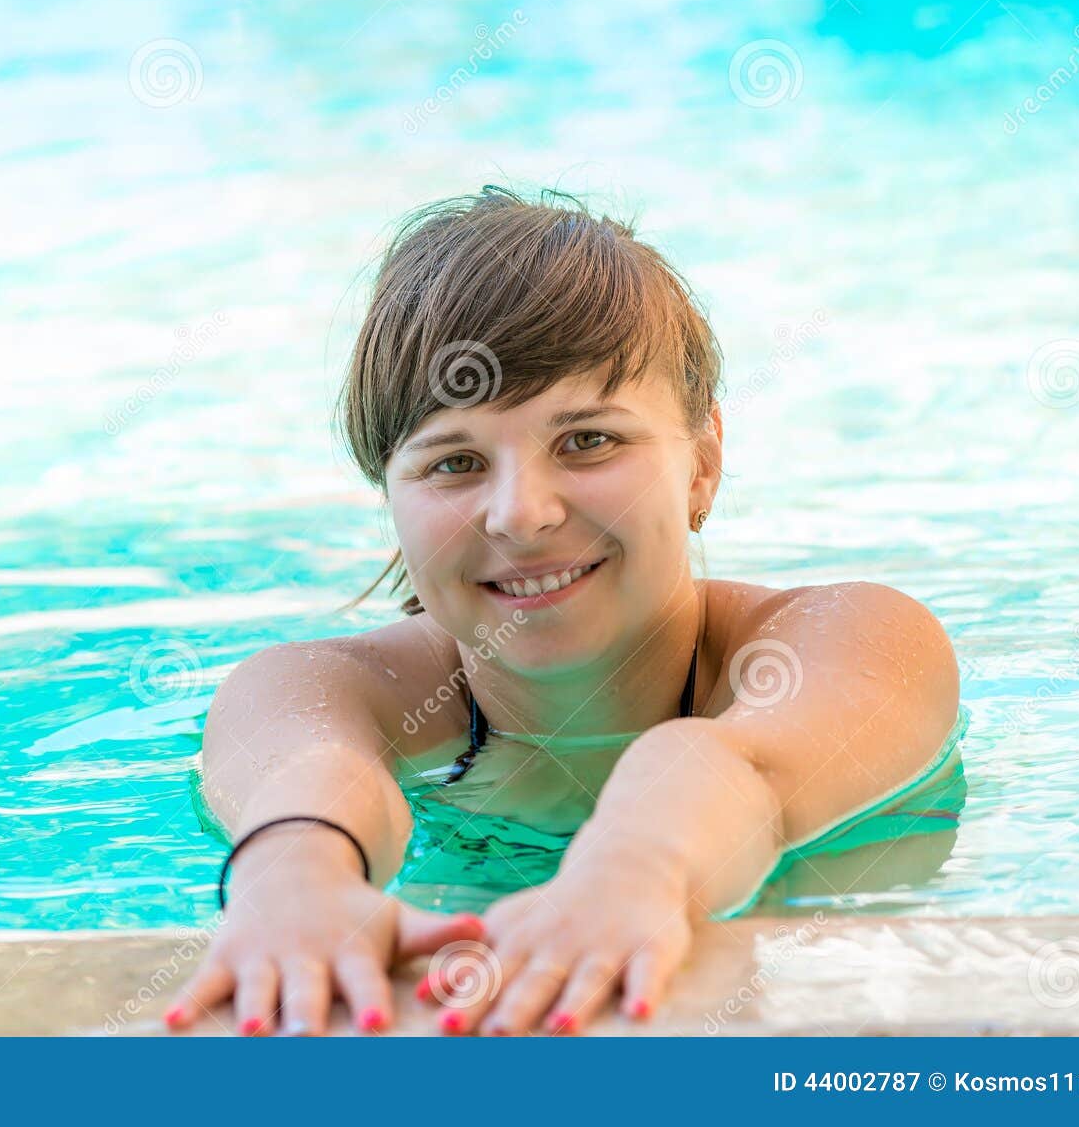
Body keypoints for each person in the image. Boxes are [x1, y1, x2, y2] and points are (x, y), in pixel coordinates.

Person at [165, 186, 960, 1036]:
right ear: (390, 498)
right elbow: (307, 773)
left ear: (701, 462)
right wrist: (294, 881)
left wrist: (638, 867)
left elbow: (741, 772)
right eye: (455, 462)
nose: (521, 513)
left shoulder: (857, 639)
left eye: (588, 440)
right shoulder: (325, 687)